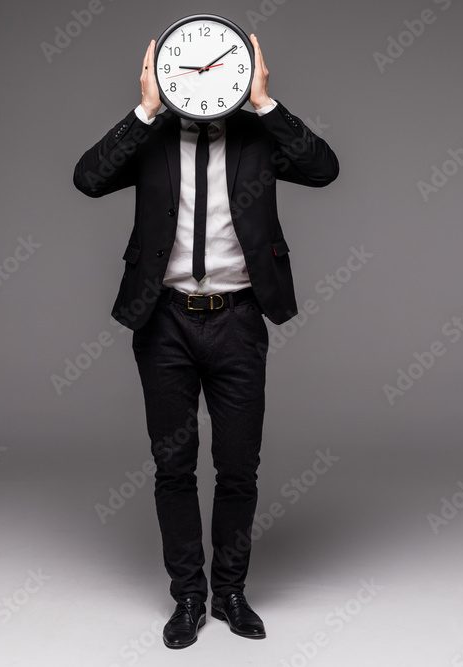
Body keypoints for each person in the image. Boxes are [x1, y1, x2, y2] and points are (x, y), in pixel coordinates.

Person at [73, 32, 339, 649]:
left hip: (239, 321)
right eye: (187, 68)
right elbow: (87, 178)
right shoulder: (151, 138)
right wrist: (144, 110)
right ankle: (189, 597)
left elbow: (324, 169)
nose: (201, 78)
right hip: (163, 321)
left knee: (239, 468)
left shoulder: (258, 138)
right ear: (168, 75)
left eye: (214, 66)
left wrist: (266, 104)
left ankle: (232, 591)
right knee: (174, 467)